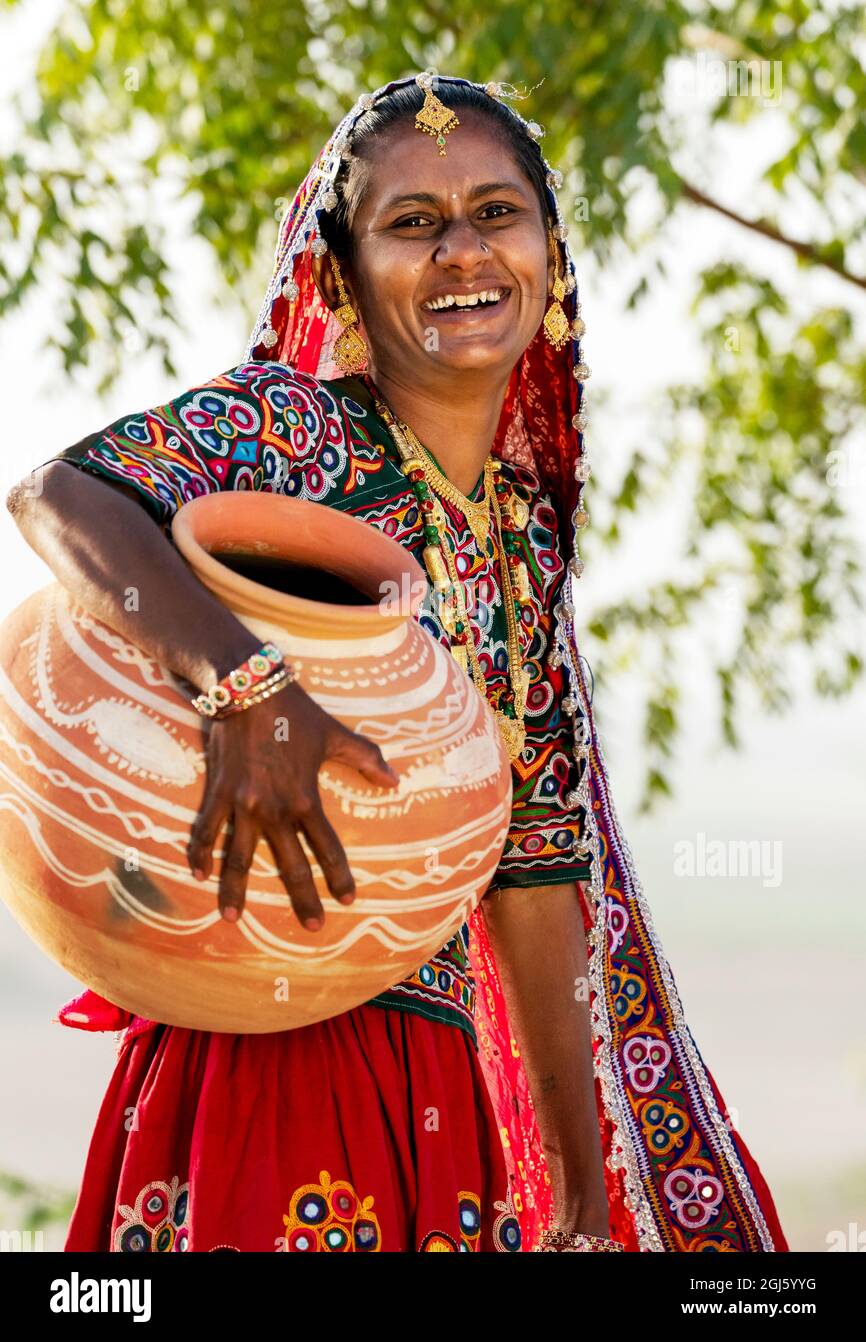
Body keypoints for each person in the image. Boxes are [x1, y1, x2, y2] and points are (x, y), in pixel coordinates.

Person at [7, 72, 788, 1253]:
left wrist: (576, 1201)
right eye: (411, 224)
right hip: (260, 1056)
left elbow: (535, 865)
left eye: (495, 213)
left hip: (435, 1081)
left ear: (549, 253)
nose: (462, 252)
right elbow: (63, 496)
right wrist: (248, 695)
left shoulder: (519, 535)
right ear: (339, 270)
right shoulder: (298, 431)